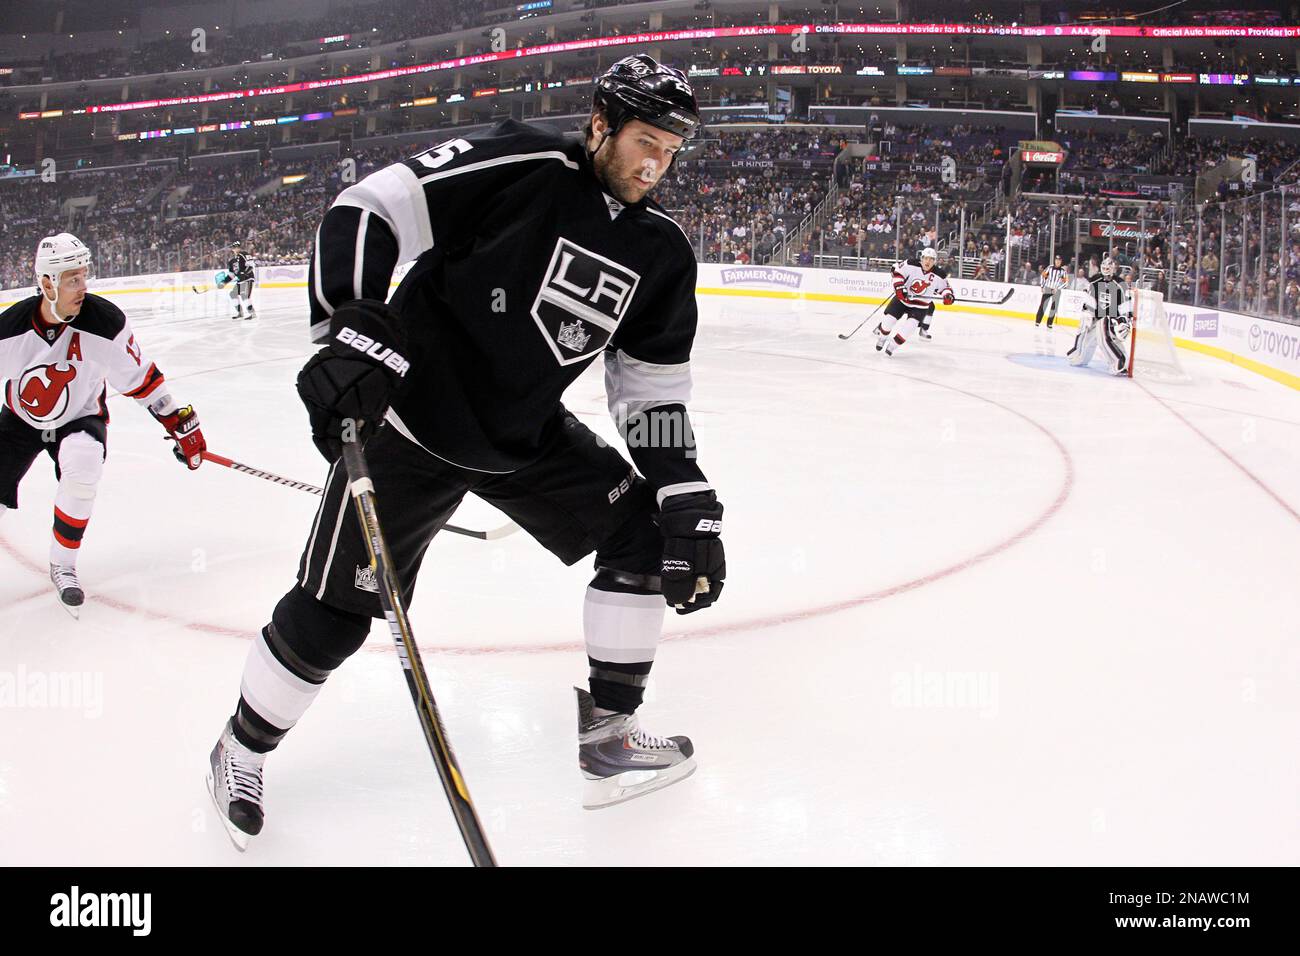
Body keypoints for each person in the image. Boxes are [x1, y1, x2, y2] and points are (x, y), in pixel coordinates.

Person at [205, 54, 727, 847]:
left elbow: (650, 392)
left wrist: (682, 490)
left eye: (671, 150)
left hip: (523, 436)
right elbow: (368, 210)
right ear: (601, 126)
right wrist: (349, 326)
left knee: (646, 537)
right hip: (410, 424)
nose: (656, 164)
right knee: (334, 616)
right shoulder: (523, 163)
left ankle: (609, 736)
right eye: (644, 142)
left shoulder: (661, 251)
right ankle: (240, 748)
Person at [0, 233, 206, 616]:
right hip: (21, 421)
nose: (83, 286)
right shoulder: (9, 331)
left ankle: (63, 565)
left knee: (84, 465)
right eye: (72, 279)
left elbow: (142, 379)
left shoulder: (105, 322)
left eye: (84, 275)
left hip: (80, 416)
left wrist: (178, 422)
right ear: (47, 283)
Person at [874, 247, 953, 356]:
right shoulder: (911, 264)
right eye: (926, 258)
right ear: (922, 258)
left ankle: (892, 346)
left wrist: (947, 296)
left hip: (920, 306)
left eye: (931, 259)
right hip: (903, 299)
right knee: (888, 322)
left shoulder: (939, 274)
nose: (928, 261)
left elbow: (945, 288)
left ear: (934, 261)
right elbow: (896, 270)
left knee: (909, 328)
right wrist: (899, 286)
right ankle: (882, 338)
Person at [1068, 255, 1131, 375]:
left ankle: (1120, 363)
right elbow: (1089, 299)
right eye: (1104, 268)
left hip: (1111, 321)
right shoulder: (1095, 280)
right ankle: (1079, 354)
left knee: (1105, 339)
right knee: (1083, 349)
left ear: (1113, 269)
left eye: (1108, 268)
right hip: (1097, 319)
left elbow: (1126, 304)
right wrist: (1087, 313)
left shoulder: (1120, 284)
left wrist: (1125, 321)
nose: (1106, 270)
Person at [225, 240, 256, 320]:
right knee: (233, 294)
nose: (236, 249)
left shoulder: (244, 254)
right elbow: (231, 275)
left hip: (248, 278)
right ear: (232, 249)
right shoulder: (232, 261)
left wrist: (244, 273)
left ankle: (252, 313)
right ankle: (240, 312)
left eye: (237, 247)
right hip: (240, 281)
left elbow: (251, 265)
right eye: (234, 247)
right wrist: (223, 282)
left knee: (244, 295)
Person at [1035, 254, 1068, 329]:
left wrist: (1057, 288)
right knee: (1043, 305)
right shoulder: (1050, 268)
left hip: (1056, 291)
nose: (1058, 261)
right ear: (1055, 260)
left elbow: (1065, 283)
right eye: (1056, 260)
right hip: (1048, 288)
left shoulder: (1063, 271)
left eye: (1059, 260)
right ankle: (1037, 321)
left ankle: (1049, 323)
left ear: (1061, 261)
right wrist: (1042, 286)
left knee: (1054, 307)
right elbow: (1043, 276)